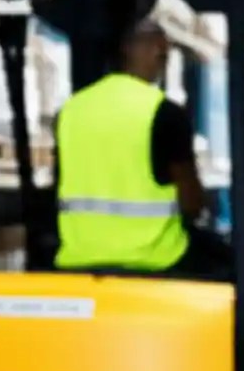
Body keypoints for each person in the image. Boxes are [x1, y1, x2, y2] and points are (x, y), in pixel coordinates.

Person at [53, 15, 228, 278]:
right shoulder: (165, 112)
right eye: (164, 51)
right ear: (155, 48)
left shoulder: (71, 110)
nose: (165, 59)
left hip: (79, 259)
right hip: (155, 261)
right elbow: (191, 203)